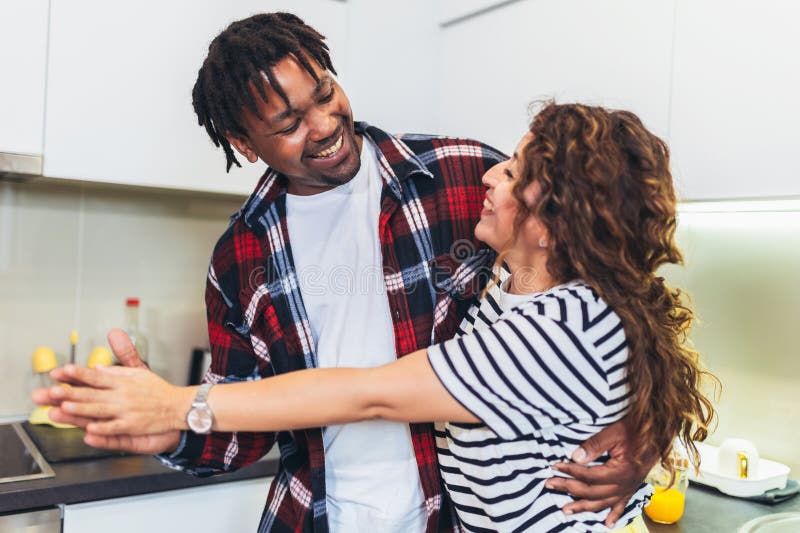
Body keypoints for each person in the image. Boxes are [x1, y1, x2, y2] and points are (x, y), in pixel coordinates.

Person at [36, 13, 653, 533]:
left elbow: (619, 287)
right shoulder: (240, 258)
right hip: (317, 516)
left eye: (325, 93)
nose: (326, 125)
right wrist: (173, 428)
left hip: (450, 519)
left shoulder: (465, 176)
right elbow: (241, 434)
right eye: (288, 125)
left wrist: (645, 432)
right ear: (245, 143)